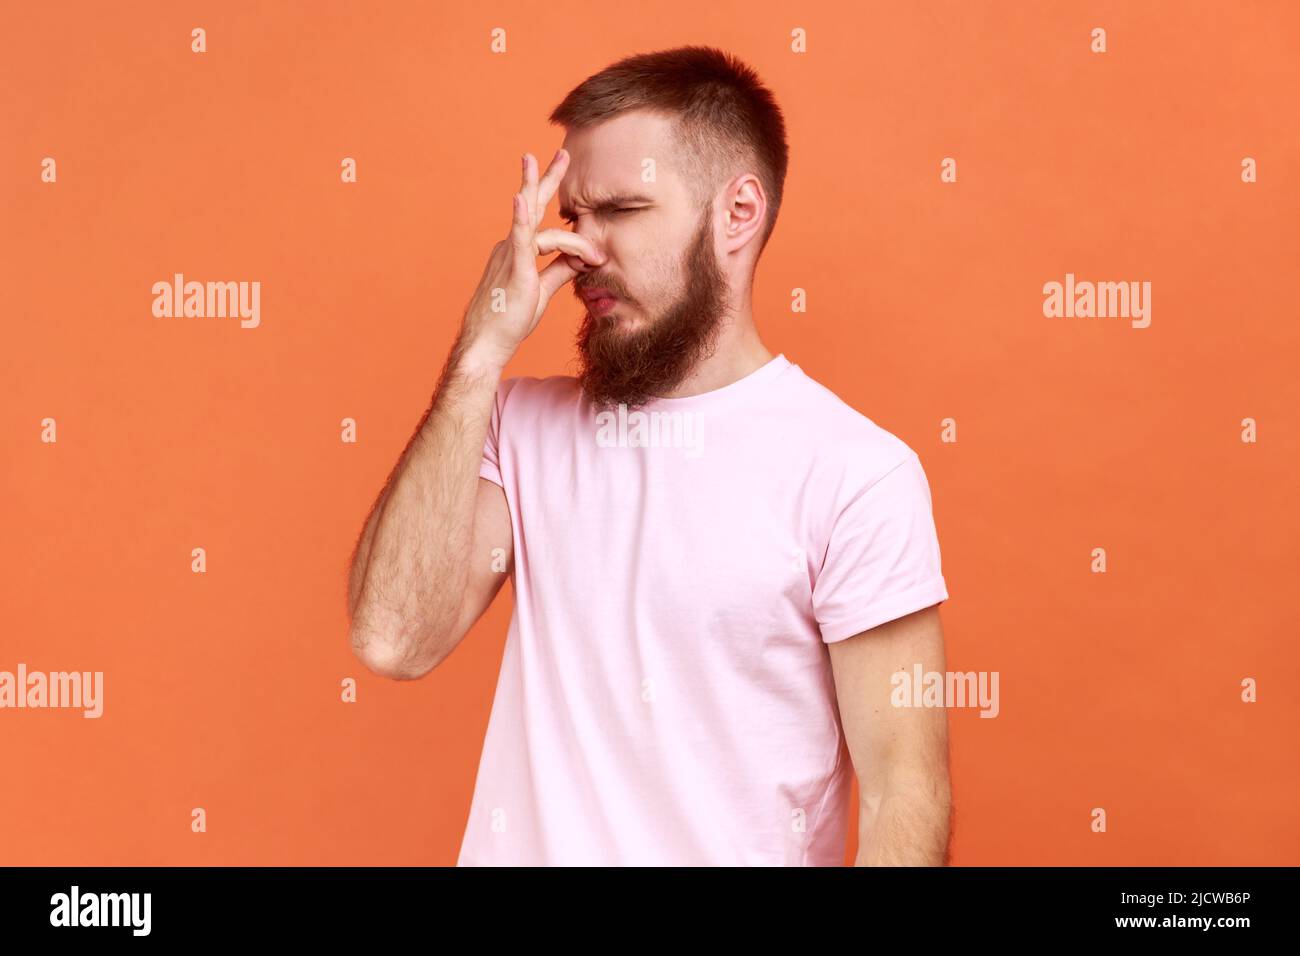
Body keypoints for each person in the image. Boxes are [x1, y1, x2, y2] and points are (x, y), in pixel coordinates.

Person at [346, 46, 952, 866]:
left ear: (738, 212)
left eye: (622, 210)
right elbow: (391, 639)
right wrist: (479, 356)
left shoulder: (855, 474)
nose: (583, 249)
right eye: (572, 215)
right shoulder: (516, 426)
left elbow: (903, 795)